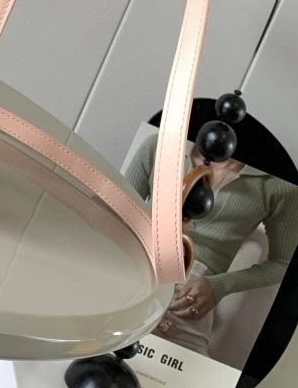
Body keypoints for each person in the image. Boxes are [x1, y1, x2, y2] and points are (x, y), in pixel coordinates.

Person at [125, 134, 298, 356]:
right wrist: (143, 295)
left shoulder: (279, 184)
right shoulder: (162, 142)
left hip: (187, 302)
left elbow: (284, 263)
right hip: (133, 278)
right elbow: (114, 217)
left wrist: (219, 287)